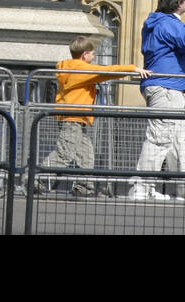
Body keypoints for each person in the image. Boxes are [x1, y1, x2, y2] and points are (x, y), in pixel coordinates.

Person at [129, 0, 185, 202]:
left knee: (177, 140)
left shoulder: (157, 22)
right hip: (166, 89)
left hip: (169, 89)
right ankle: (140, 188)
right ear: (178, 3)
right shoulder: (168, 23)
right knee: (159, 138)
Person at [39, 36, 147, 196]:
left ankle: (83, 186)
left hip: (75, 118)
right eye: (92, 53)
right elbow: (106, 71)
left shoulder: (70, 68)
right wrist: (133, 69)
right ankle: (35, 179)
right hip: (73, 118)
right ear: (84, 55)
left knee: (86, 152)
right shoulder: (82, 70)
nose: (94, 56)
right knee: (64, 154)